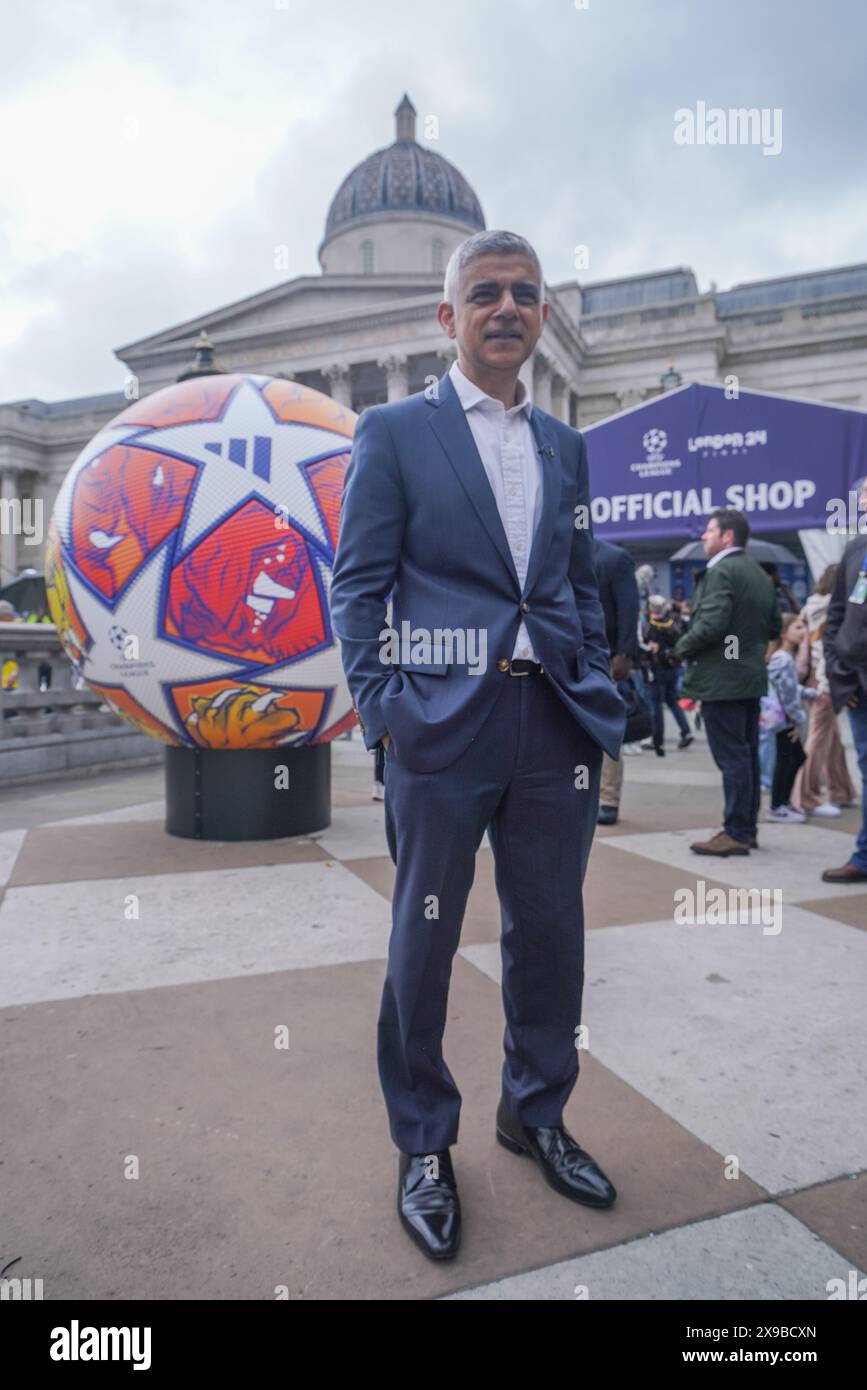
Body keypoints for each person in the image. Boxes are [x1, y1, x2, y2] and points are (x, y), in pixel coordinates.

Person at [331, 229, 626, 1261]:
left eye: (525, 294)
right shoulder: (394, 431)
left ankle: (534, 1110)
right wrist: (383, 706)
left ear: (542, 316)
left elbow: (577, 577)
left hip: (552, 722)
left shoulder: (566, 446)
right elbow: (358, 584)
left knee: (551, 933)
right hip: (440, 730)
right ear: (445, 317)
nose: (508, 306)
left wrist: (593, 680)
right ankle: (423, 1142)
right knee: (425, 937)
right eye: (486, 292)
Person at [673, 508, 781, 856]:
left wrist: (679, 648)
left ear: (727, 536)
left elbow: (712, 623)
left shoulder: (721, 571)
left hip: (721, 679)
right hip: (750, 678)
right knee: (746, 754)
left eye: (709, 531)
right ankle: (745, 828)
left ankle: (735, 831)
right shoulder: (759, 574)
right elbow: (775, 626)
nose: (703, 536)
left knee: (733, 758)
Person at [821, 476, 867, 884]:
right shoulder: (855, 550)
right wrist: (839, 674)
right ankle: (864, 857)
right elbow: (836, 616)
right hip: (855, 685)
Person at [792, 565, 855, 817]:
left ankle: (841, 790)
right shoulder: (837, 608)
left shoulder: (810, 608)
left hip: (814, 677)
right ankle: (804, 796)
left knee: (831, 740)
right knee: (819, 739)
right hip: (827, 678)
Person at [593, 536, 640, 824]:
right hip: (564, 657)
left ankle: (608, 798)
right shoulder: (556, 554)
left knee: (605, 730)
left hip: (604, 657)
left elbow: (629, 608)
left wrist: (624, 653)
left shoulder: (614, 558)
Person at [763, 613, 817, 822]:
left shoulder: (783, 658)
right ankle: (778, 806)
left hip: (784, 717)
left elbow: (791, 688)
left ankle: (782, 803)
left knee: (794, 757)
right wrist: (797, 719)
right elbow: (787, 693)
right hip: (784, 718)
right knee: (787, 759)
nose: (803, 632)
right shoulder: (782, 659)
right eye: (797, 628)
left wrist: (811, 693)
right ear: (784, 634)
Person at [642, 594, 693, 756]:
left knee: (656, 705)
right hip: (673, 668)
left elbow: (645, 646)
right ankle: (686, 731)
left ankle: (658, 741)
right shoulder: (673, 624)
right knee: (672, 700)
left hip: (657, 670)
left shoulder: (650, 626)